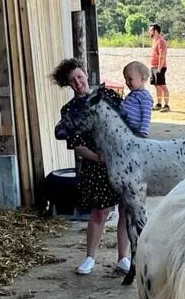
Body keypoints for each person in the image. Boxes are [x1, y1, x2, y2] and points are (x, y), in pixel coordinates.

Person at [51, 58, 130, 276]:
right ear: (68, 85)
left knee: (125, 210)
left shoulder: (110, 95)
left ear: (86, 74)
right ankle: (89, 258)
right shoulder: (69, 110)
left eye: (79, 77)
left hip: (122, 162)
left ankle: (124, 258)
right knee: (99, 212)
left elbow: (126, 125)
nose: (78, 82)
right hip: (96, 167)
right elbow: (76, 146)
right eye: (72, 80)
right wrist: (98, 157)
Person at [120, 61, 153, 138]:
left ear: (142, 78)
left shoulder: (145, 96)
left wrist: (143, 133)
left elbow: (146, 116)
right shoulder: (132, 94)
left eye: (130, 79)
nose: (127, 82)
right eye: (126, 79)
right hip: (125, 129)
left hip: (134, 132)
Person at [149, 23, 170, 112]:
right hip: (153, 66)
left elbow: (162, 55)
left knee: (162, 86)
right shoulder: (154, 40)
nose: (149, 32)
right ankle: (159, 104)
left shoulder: (161, 41)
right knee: (157, 86)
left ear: (156, 31)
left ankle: (166, 105)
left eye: (151, 30)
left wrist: (159, 68)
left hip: (159, 67)